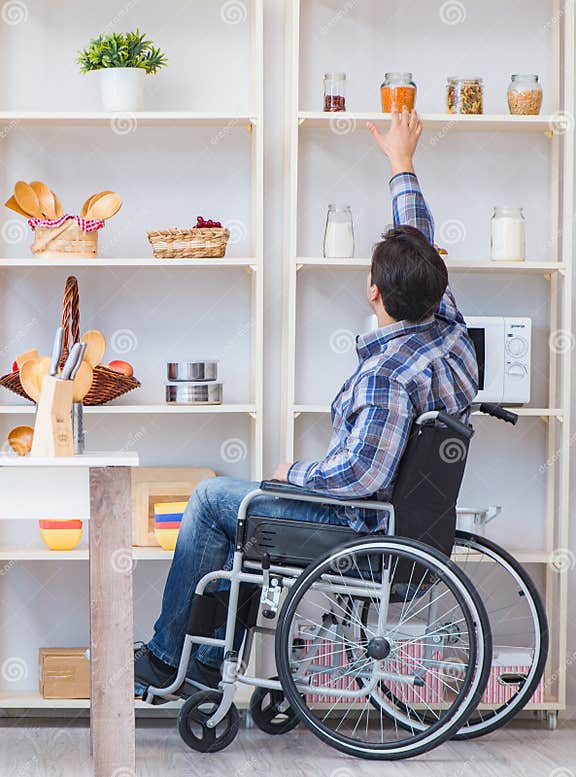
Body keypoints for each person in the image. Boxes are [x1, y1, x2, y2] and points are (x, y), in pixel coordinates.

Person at [134, 107, 479, 696]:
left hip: (356, 527)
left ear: (372, 291)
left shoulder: (387, 376)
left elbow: (358, 473)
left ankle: (172, 658)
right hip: (400, 523)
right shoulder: (448, 331)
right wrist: (402, 166)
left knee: (213, 498)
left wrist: (291, 473)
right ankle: (208, 654)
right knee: (237, 510)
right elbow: (420, 242)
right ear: (436, 286)